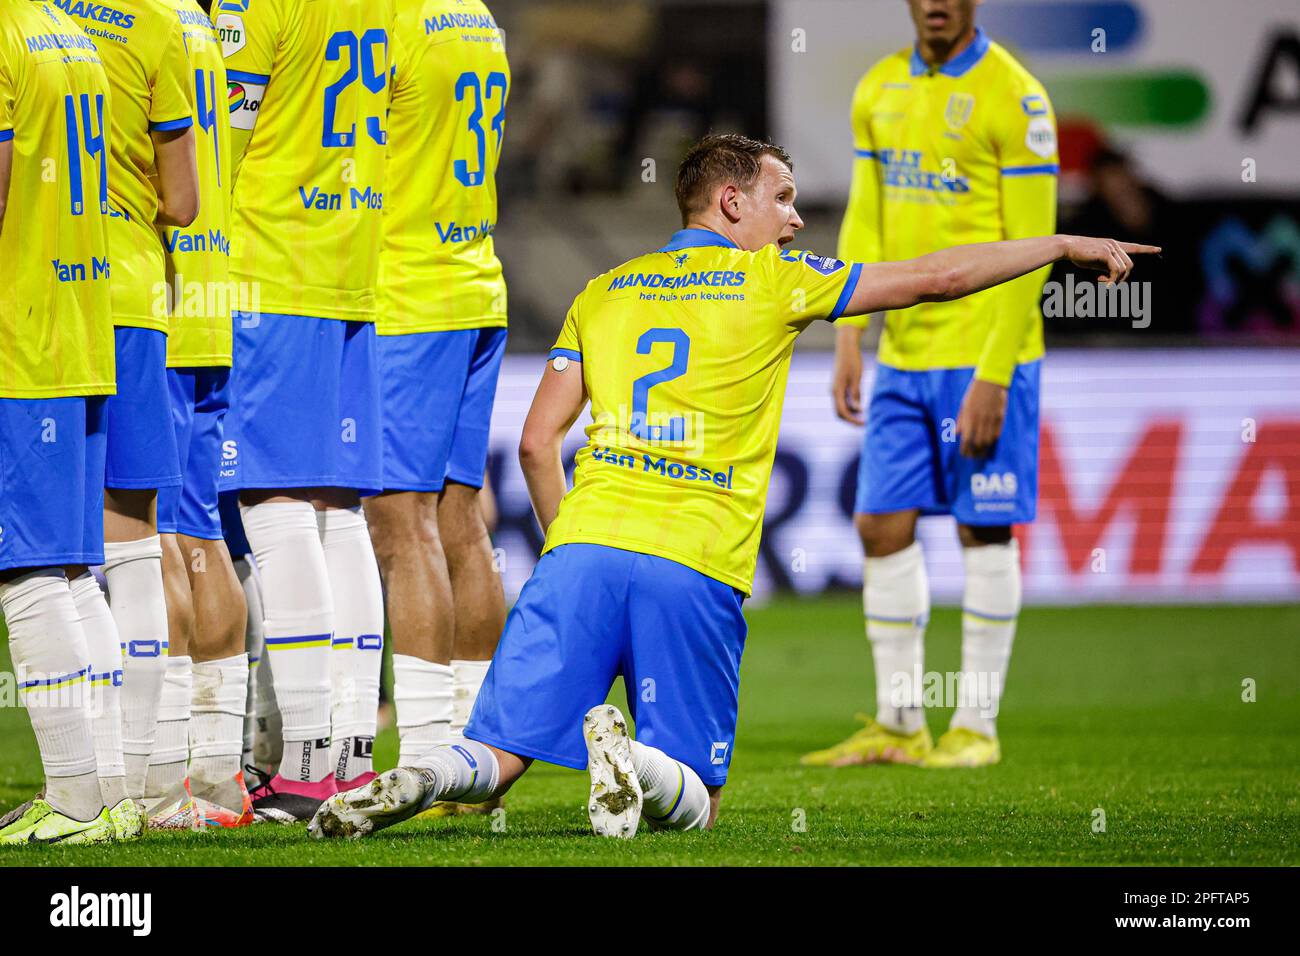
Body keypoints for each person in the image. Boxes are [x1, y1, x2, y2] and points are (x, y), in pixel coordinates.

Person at [308, 133, 1157, 840]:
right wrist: (1055, 246)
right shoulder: (775, 282)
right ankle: (631, 762)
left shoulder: (602, 293)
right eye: (782, 198)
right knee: (700, 804)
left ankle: (413, 780)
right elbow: (935, 278)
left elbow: (536, 444)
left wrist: (571, 541)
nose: (794, 220)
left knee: (493, 760)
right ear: (730, 204)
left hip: (582, 552)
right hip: (695, 560)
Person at [802, 0, 1059, 770]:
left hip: (985, 354)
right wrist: (849, 335)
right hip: (903, 357)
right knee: (881, 525)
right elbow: (866, 223)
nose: (938, 3)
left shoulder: (1017, 98)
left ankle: (975, 726)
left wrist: (996, 372)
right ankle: (901, 721)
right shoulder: (877, 88)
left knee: (983, 529)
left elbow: (1036, 247)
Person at [218, 0, 395, 822]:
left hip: (271, 269)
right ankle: (353, 752)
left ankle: (302, 763)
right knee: (338, 508)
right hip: (352, 273)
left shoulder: (257, 4)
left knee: (275, 500)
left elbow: (223, 136)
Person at [364, 0, 510, 816]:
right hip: (474, 282)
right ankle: (478, 760)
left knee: (400, 523)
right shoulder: (478, 18)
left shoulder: (393, 20)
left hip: (408, 296)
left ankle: (423, 761)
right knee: (460, 520)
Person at [58, 0, 202, 811]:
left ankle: (84, 779)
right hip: (136, 298)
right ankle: (146, 785)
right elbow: (182, 203)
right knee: (136, 534)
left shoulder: (23, 22)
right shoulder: (160, 27)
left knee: (57, 548)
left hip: (51, 297)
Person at [0, 0, 125, 844]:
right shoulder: (67, 29)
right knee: (75, 570)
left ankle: (78, 800)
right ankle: (107, 795)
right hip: (82, 324)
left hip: (25, 332)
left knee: (29, 570)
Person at [146, 0, 252, 829]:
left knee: (150, 538)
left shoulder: (123, 24)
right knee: (203, 531)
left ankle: (164, 774)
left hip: (162, 295)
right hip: (219, 291)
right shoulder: (203, 28)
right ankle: (216, 773)